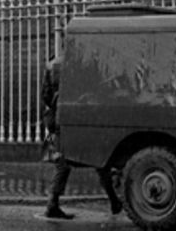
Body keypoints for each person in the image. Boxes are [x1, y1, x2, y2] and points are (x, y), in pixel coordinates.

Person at [42, 52, 122, 219]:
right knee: (100, 159)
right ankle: (113, 200)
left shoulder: (52, 65)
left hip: (60, 117)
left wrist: (57, 104)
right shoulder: (86, 63)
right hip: (84, 116)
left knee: (62, 162)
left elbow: (45, 95)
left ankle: (53, 203)